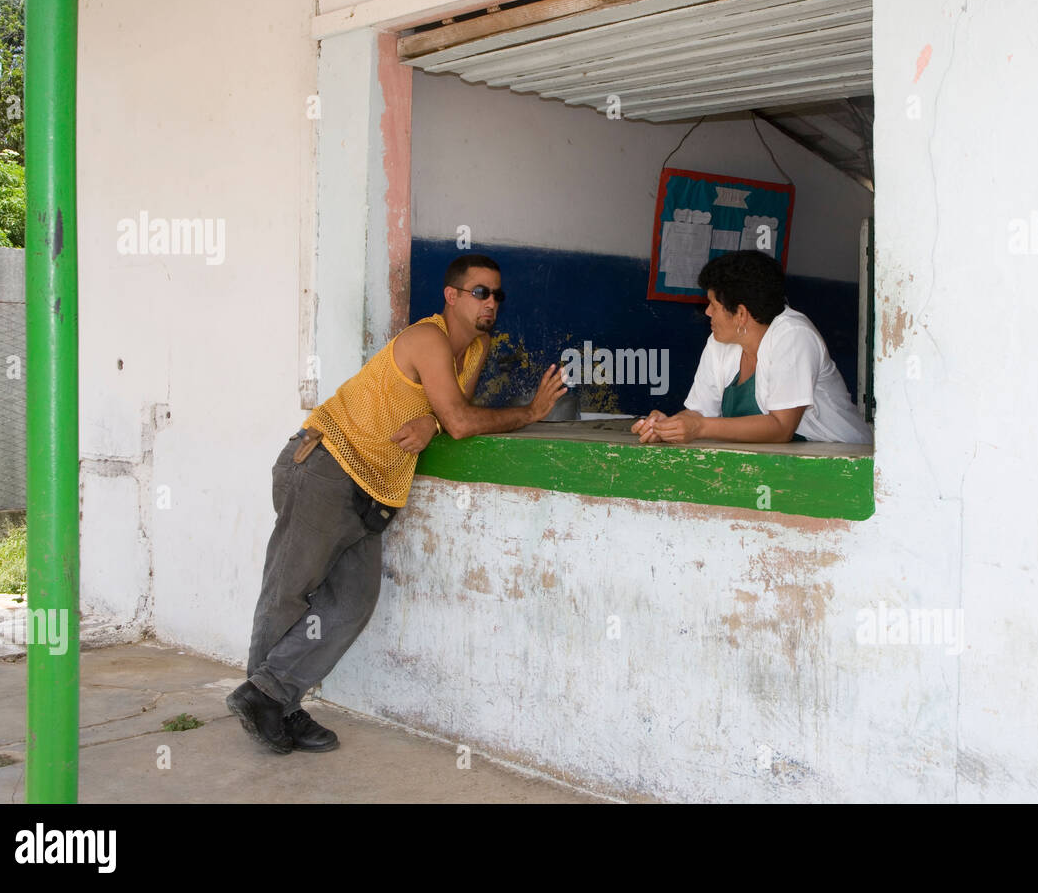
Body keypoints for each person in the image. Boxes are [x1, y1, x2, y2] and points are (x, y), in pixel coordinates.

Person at [227, 254, 567, 753]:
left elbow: (451, 412)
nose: (491, 303)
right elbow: (462, 422)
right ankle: (271, 705)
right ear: (451, 296)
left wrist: (433, 421)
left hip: (374, 489)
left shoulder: (476, 346)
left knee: (351, 603)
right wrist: (531, 413)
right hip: (327, 465)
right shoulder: (428, 338)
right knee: (289, 591)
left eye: (497, 295)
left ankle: (270, 696)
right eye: (480, 292)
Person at [632, 250, 871, 446]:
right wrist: (667, 426)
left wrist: (699, 428)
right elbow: (699, 413)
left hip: (841, 463)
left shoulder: (793, 336)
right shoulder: (719, 342)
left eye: (713, 305)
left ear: (741, 314)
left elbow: (780, 428)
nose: (707, 312)